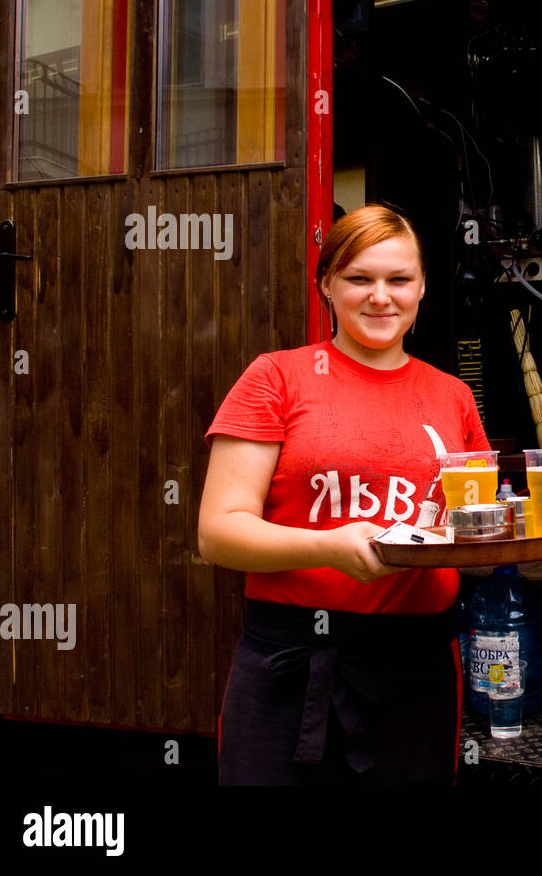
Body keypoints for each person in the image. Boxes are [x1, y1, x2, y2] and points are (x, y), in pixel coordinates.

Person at [198, 204, 490, 785]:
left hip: (417, 665)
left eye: (399, 279)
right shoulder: (276, 378)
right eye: (360, 278)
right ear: (327, 284)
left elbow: (473, 518)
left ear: (422, 287)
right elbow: (218, 532)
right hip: (294, 661)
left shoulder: (452, 395)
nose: (381, 297)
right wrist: (328, 547)